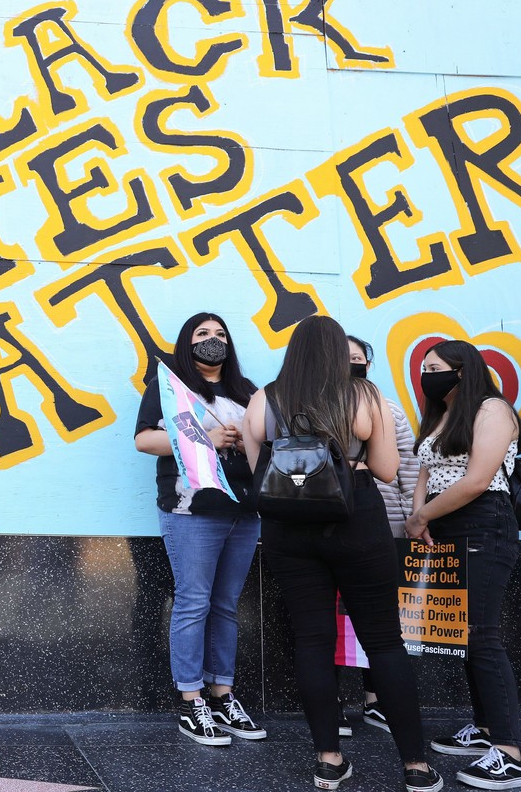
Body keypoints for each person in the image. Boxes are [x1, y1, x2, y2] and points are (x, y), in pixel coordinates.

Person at [243, 315, 440, 792]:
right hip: (356, 523)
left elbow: (259, 473)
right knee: (384, 642)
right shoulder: (364, 396)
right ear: (338, 352)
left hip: (289, 530)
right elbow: (389, 469)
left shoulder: (264, 399)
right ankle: (415, 766)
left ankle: (329, 760)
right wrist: (349, 458)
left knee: (313, 639)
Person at [134, 313, 265, 746]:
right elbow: (144, 440)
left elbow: (267, 448)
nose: (213, 341)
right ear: (185, 344)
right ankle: (192, 701)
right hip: (190, 510)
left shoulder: (248, 392)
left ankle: (222, 693)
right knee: (194, 602)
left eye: (221, 334)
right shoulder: (170, 389)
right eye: (203, 335)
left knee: (226, 605)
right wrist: (208, 437)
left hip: (244, 511)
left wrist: (245, 440)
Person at [406, 339, 521, 790]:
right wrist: (418, 517)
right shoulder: (441, 416)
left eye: (435, 366)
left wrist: (423, 516)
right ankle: (482, 729)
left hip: (483, 524)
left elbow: (478, 480)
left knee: (482, 632)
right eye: (423, 367)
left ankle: (510, 752)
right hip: (444, 527)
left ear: (463, 370)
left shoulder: (493, 409)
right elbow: (425, 471)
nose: (426, 374)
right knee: (463, 631)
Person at [344, 335, 420, 736]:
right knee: (333, 616)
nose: (352, 364)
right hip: (336, 523)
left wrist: (415, 516)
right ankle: (337, 702)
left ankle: (375, 699)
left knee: (379, 618)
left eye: (358, 359)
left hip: (386, 524)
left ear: (368, 366)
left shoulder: (388, 409)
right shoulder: (316, 406)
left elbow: (407, 466)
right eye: (344, 358)